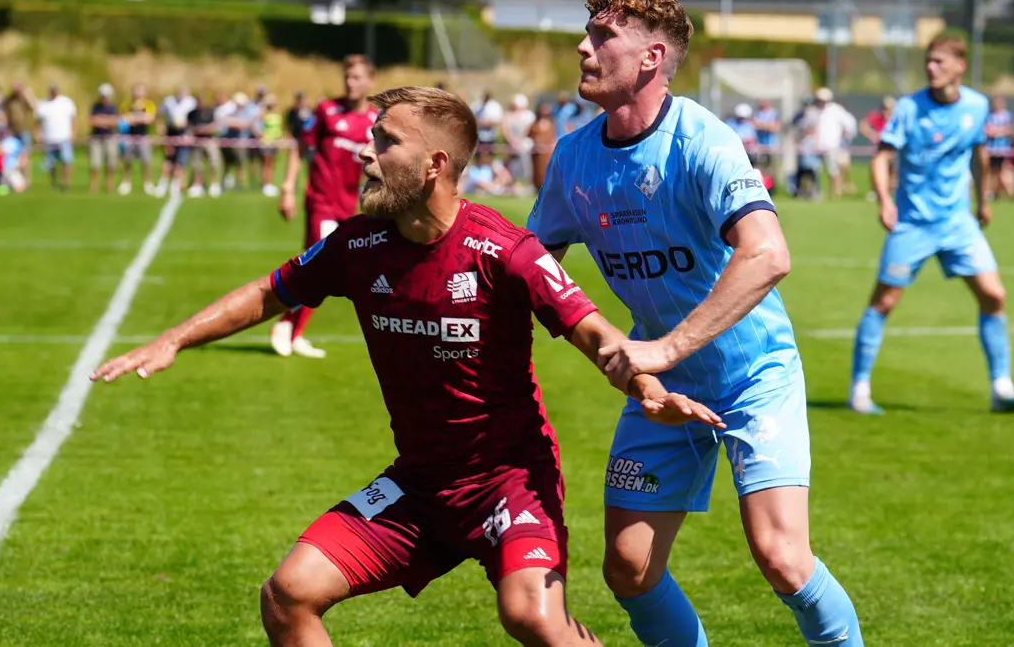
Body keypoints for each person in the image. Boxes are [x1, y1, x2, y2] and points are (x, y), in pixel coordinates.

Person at [91, 85, 720, 647]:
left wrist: (646, 387)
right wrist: (173, 339)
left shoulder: (505, 251)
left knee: (531, 616)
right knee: (288, 595)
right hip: (418, 486)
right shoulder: (356, 244)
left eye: (384, 141)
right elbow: (269, 292)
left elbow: (593, 330)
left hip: (508, 480)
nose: (363, 154)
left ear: (433, 165)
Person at [527, 0, 863, 647]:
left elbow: (767, 254)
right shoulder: (572, 157)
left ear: (651, 57)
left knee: (783, 558)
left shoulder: (702, 139)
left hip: (753, 374)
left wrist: (663, 350)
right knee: (628, 566)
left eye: (602, 35)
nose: (581, 46)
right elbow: (534, 268)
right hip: (662, 385)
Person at [849, 34, 1014, 415]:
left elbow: (978, 154)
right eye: (928, 61)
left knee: (994, 296)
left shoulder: (977, 105)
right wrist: (886, 200)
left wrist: (983, 202)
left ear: (960, 65)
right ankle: (859, 391)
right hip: (913, 223)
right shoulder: (908, 108)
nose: (930, 67)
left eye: (940, 61)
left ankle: (1001, 388)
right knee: (884, 302)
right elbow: (881, 157)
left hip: (957, 222)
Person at [273, 55, 379, 359]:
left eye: (357, 77)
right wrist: (287, 188)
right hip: (322, 202)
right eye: (347, 77)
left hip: (352, 207)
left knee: (331, 271)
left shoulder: (375, 121)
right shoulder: (326, 111)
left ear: (370, 80)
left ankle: (294, 331)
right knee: (321, 266)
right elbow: (300, 147)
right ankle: (286, 324)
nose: (350, 82)